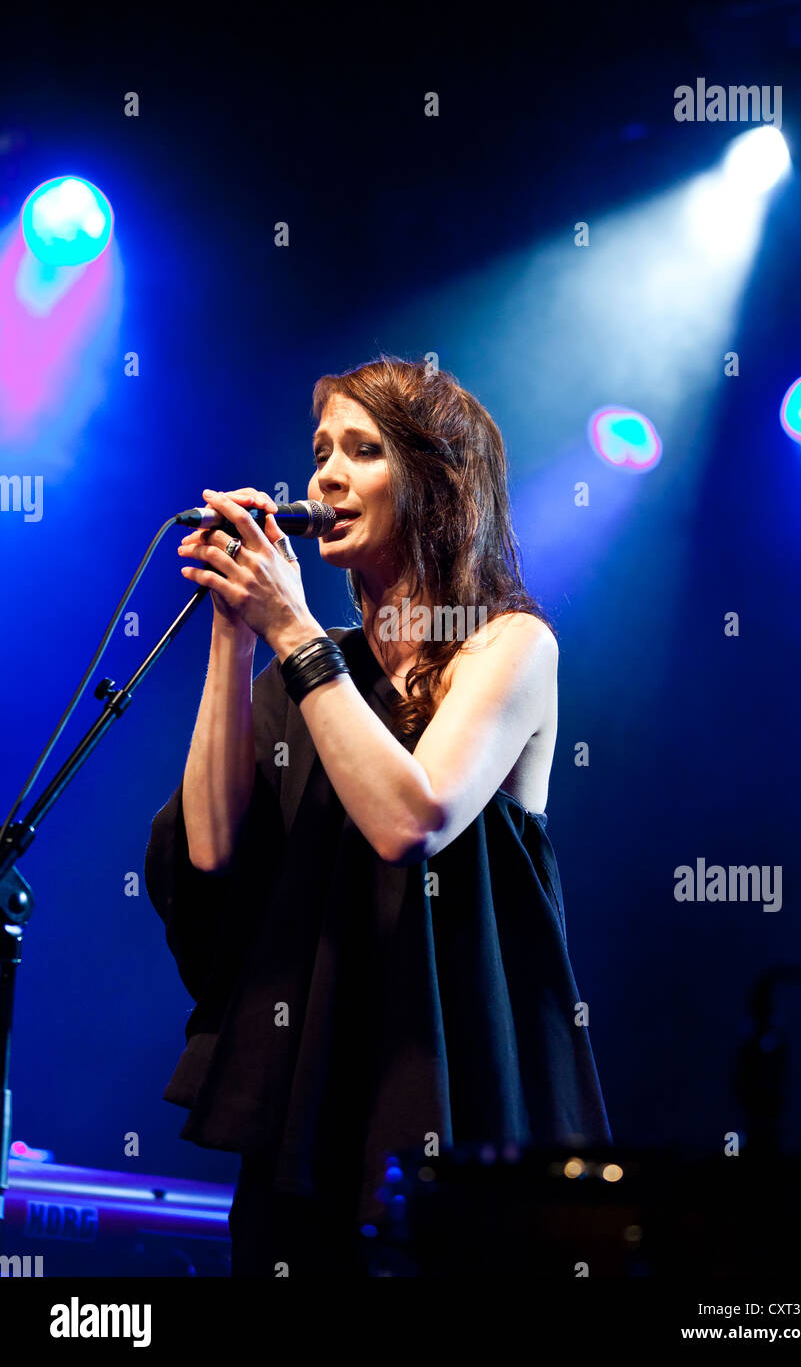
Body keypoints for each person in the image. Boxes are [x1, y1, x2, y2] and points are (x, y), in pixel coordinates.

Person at [144, 355, 611, 1279]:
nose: (323, 474)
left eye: (362, 450)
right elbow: (211, 845)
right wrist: (235, 637)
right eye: (320, 450)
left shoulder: (509, 646)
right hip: (311, 1086)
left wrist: (290, 631)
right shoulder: (316, 667)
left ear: (436, 485)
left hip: (453, 1082)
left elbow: (413, 821)